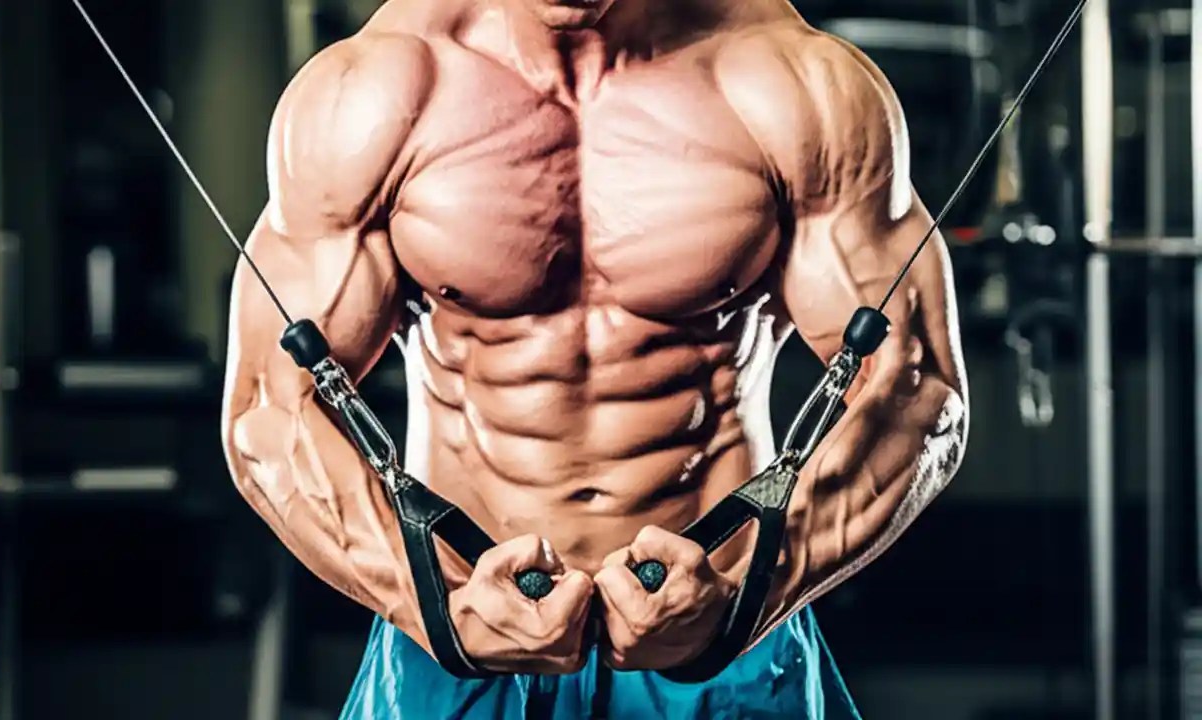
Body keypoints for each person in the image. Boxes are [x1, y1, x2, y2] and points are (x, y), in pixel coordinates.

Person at [222, 0, 968, 716]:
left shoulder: (792, 85)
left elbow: (916, 386)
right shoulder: (375, 96)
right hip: (460, 628)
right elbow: (269, 405)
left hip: (717, 629)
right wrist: (433, 609)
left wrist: (751, 590)